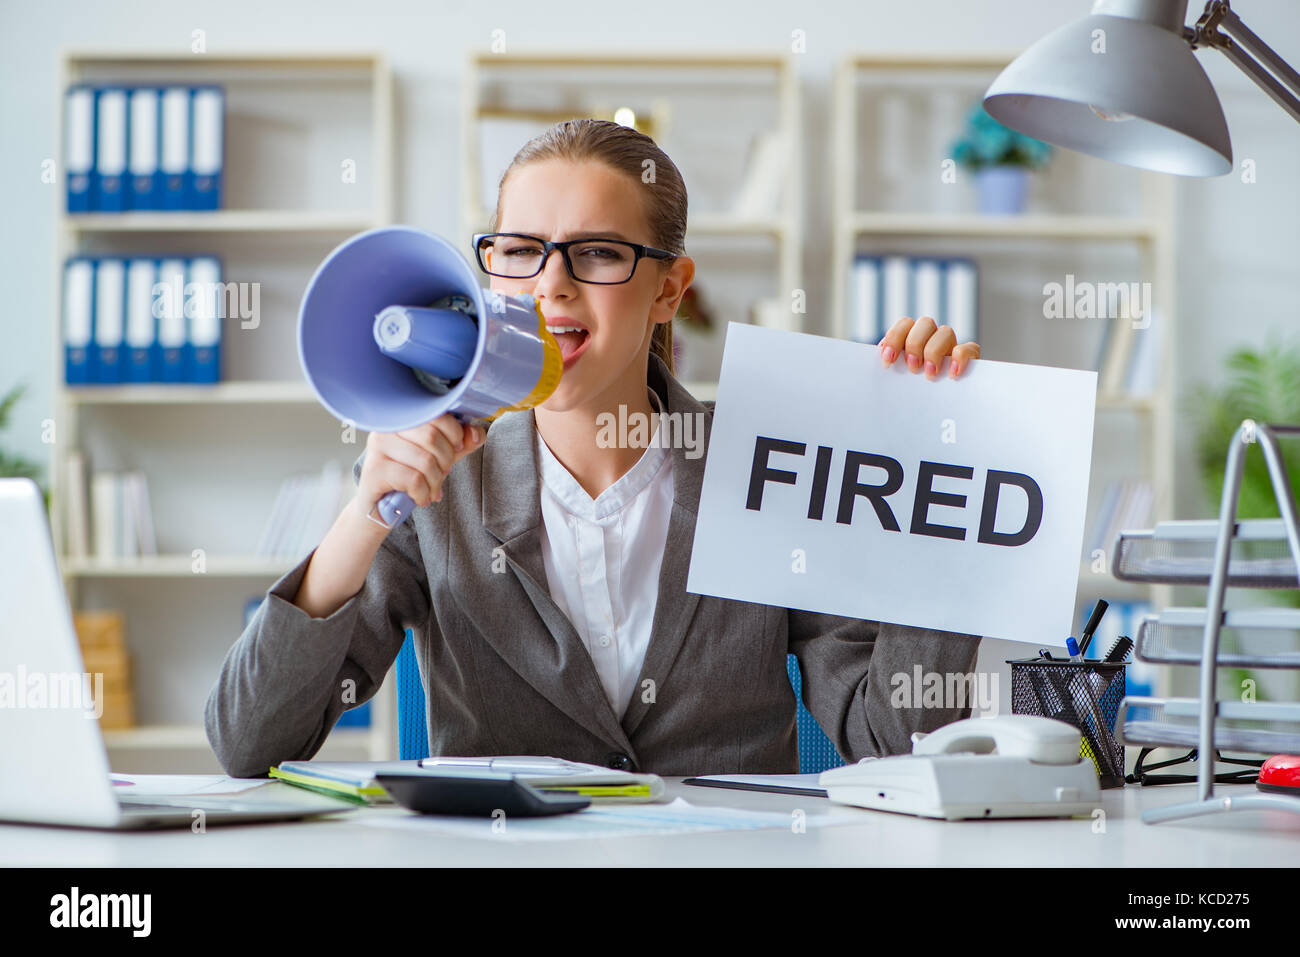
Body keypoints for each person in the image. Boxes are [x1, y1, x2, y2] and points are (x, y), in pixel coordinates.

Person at [205, 118, 984, 779]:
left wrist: (929, 479)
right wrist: (364, 518)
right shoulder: (439, 487)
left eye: (599, 253)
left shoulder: (763, 466)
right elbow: (247, 742)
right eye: (519, 250)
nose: (551, 285)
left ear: (669, 289)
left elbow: (895, 747)